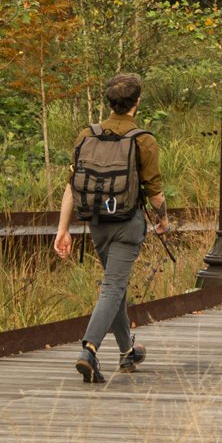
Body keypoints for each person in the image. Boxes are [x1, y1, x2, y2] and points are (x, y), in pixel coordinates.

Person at [54, 71, 171, 383]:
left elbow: (71, 187)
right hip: (127, 224)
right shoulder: (143, 140)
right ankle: (89, 350)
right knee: (112, 287)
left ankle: (127, 352)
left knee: (114, 285)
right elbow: (155, 191)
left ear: (111, 102)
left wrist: (62, 229)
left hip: (96, 223)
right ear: (136, 103)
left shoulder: (86, 136)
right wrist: (163, 220)